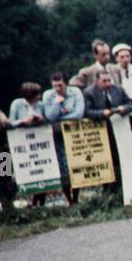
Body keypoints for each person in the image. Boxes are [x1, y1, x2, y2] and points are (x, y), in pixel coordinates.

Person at [43, 72, 84, 204]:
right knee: (63, 167)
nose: (57, 88)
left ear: (66, 83)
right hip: (58, 135)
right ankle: (69, 199)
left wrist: (60, 118)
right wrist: (57, 104)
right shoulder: (48, 95)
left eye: (60, 85)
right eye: (55, 86)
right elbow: (49, 117)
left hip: (74, 132)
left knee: (76, 163)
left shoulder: (75, 91)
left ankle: (77, 197)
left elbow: (78, 114)